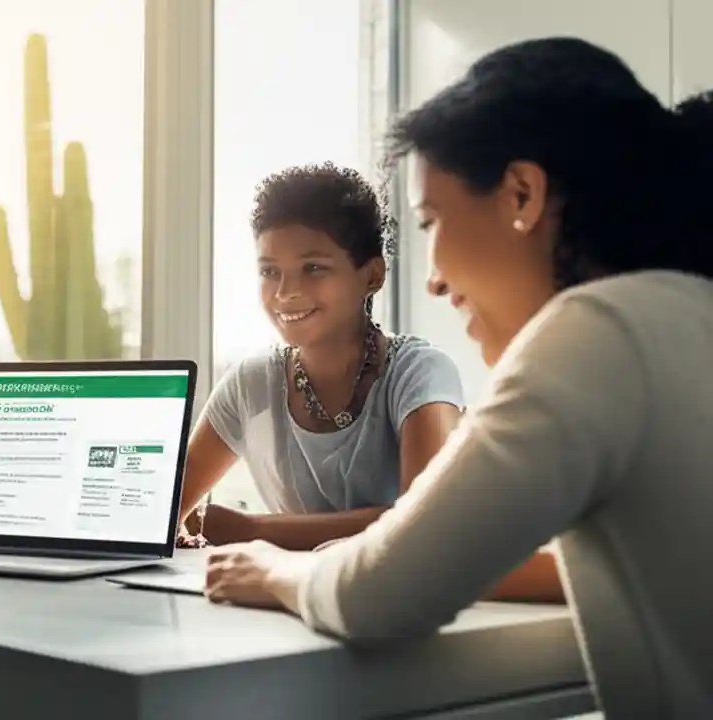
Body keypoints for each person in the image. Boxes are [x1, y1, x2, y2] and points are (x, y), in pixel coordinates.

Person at [203, 37, 713, 717]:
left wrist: (273, 566)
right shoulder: (683, 315)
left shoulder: (598, 332)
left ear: (522, 194)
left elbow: (377, 595)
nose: (435, 281)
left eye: (432, 220)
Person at [177, 163, 464, 548]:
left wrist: (253, 530)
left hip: (399, 587)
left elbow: (428, 522)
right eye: (270, 272)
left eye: (313, 268)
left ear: (373, 275)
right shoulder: (251, 383)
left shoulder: (420, 374)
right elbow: (167, 508)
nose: (285, 292)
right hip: (278, 585)